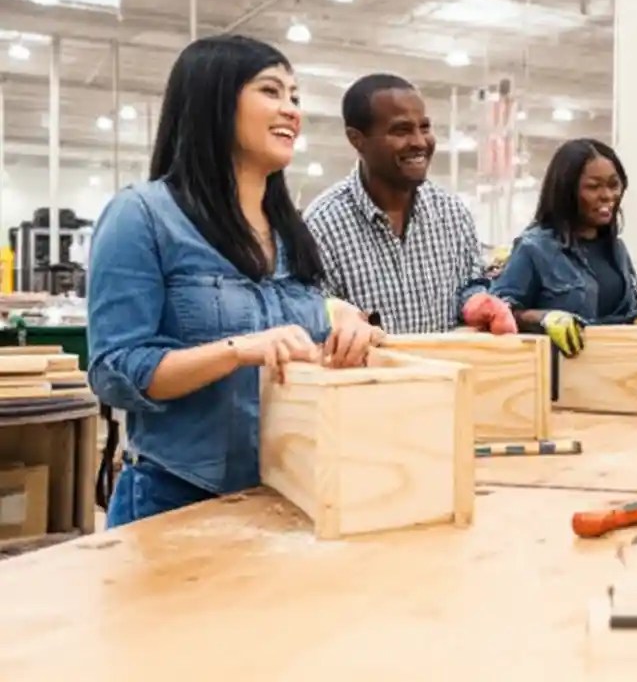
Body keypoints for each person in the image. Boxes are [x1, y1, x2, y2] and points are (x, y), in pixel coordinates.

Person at [88, 35, 383, 527]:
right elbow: (115, 370)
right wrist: (236, 349)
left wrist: (351, 332)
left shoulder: (291, 234)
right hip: (176, 500)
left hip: (287, 493)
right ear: (213, 101)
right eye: (271, 91)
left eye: (295, 96)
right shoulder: (143, 216)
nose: (291, 110)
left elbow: (300, 327)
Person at [304, 74, 515, 335]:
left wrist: (476, 302)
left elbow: (469, 285)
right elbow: (315, 321)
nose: (419, 142)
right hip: (372, 376)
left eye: (424, 127)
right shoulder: (323, 227)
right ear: (356, 139)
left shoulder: (451, 213)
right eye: (401, 130)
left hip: (449, 373)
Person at [490, 138, 637, 357]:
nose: (607, 195)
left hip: (615, 374)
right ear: (567, 192)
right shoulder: (535, 248)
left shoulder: (617, 251)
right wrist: (543, 319)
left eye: (613, 185)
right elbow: (499, 312)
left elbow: (619, 313)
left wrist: (636, 318)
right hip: (557, 378)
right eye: (593, 187)